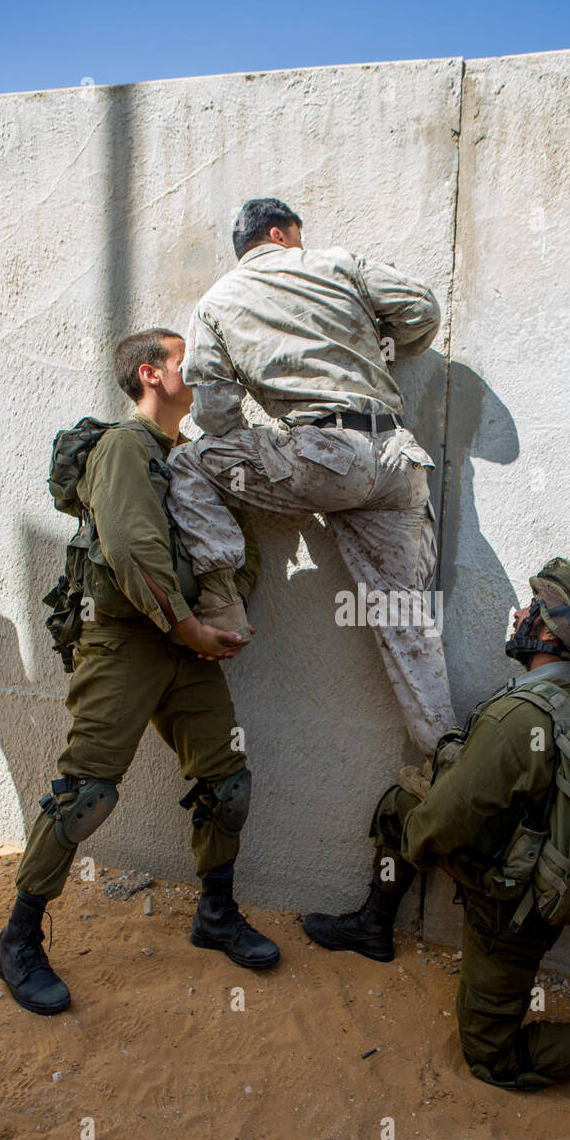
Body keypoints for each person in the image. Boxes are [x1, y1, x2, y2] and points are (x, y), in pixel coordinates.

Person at [304, 559, 570, 1138]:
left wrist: (424, 834)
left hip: (512, 909)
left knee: (490, 1056)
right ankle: (372, 926)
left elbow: (439, 826)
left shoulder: (522, 716)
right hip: (546, 873)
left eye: (532, 608)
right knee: (396, 804)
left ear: (552, 633)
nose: (518, 614)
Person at [0, 328, 279, 1016]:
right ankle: (19, 937)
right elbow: (130, 543)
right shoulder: (124, 447)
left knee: (227, 783)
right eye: (187, 361)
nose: (202, 372)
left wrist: (225, 616)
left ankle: (215, 913)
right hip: (124, 643)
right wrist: (187, 624)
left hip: (188, 648)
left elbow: (228, 546)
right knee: (87, 793)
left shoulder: (186, 458)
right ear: (152, 374)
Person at [166, 197, 456, 753]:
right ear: (280, 233)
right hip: (399, 459)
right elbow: (422, 307)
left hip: (323, 458)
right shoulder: (339, 263)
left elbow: (215, 415)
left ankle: (222, 601)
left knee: (188, 460)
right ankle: (446, 755)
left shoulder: (215, 304)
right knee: (407, 625)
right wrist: (386, 351)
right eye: (297, 235)